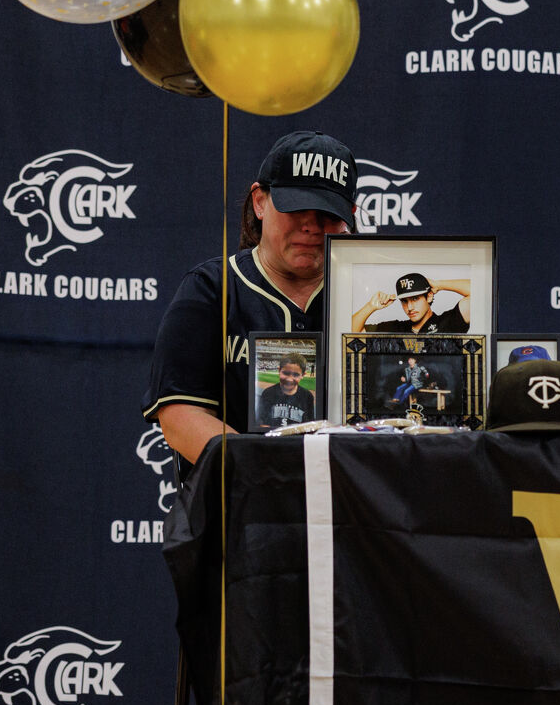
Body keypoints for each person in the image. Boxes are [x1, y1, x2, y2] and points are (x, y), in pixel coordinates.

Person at [145, 131, 355, 464]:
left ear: (348, 216)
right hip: (237, 509)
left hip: (345, 507)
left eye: (327, 214)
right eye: (297, 208)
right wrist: (264, 478)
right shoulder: (212, 288)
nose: (311, 226)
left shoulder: (367, 295)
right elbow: (180, 416)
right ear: (260, 202)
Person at [353, 271, 471, 334]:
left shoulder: (447, 323)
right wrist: (370, 306)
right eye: (404, 301)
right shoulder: (395, 328)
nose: (409, 307)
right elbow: (350, 333)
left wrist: (439, 284)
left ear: (429, 296)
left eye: (415, 299)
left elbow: (479, 292)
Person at [256, 353, 315, 429]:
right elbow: (262, 422)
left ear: (303, 375)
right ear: (279, 370)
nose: (289, 379)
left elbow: (309, 425)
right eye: (286, 373)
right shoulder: (268, 393)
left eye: (296, 375)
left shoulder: (307, 396)